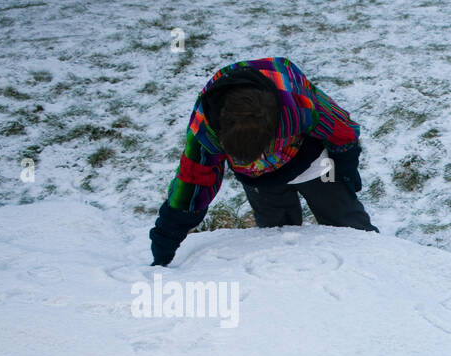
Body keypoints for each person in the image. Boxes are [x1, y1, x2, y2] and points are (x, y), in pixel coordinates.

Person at [149, 56, 376, 266]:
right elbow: (191, 187)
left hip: (313, 164)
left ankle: (378, 270)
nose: (263, 161)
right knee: (275, 239)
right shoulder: (206, 130)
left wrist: (345, 169)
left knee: (349, 224)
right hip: (259, 182)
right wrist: (163, 248)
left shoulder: (296, 100)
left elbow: (342, 131)